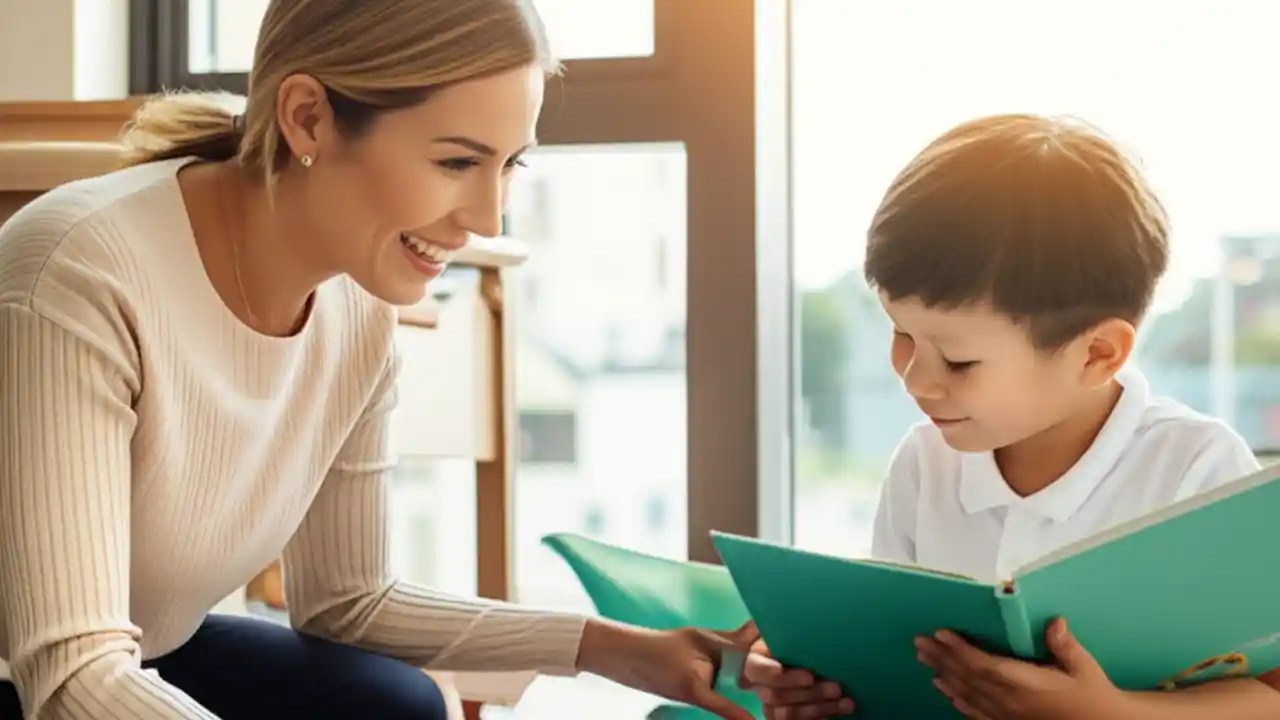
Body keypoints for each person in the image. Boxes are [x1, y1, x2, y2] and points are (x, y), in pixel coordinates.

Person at [0, 1, 758, 718]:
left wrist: (618, 650)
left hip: (138, 655)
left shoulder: (358, 303)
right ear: (308, 118)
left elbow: (346, 599)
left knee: (391, 706)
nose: (485, 217)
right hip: (38, 678)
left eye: (510, 166)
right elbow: (74, 676)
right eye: (458, 162)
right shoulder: (79, 273)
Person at [742, 114, 1280, 718]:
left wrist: (1114, 713)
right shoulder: (924, 466)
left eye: (961, 361)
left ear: (1097, 354)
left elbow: (1268, 695)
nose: (916, 378)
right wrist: (817, 685)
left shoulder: (1198, 471)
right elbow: (891, 671)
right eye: (900, 334)